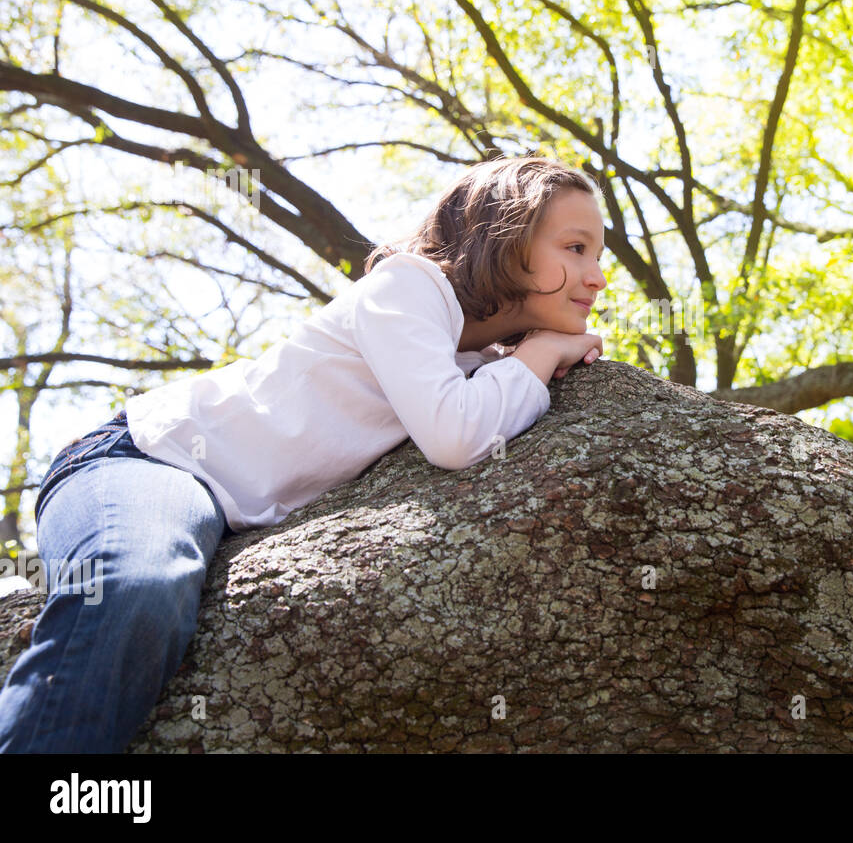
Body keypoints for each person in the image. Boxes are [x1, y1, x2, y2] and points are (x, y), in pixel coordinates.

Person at [0, 156, 607, 752]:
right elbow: (454, 436)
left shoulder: (480, 364)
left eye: (599, 255)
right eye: (575, 248)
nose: (598, 275)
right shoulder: (408, 286)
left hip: (228, 514)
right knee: (134, 587)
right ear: (501, 236)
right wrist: (541, 353)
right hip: (148, 460)